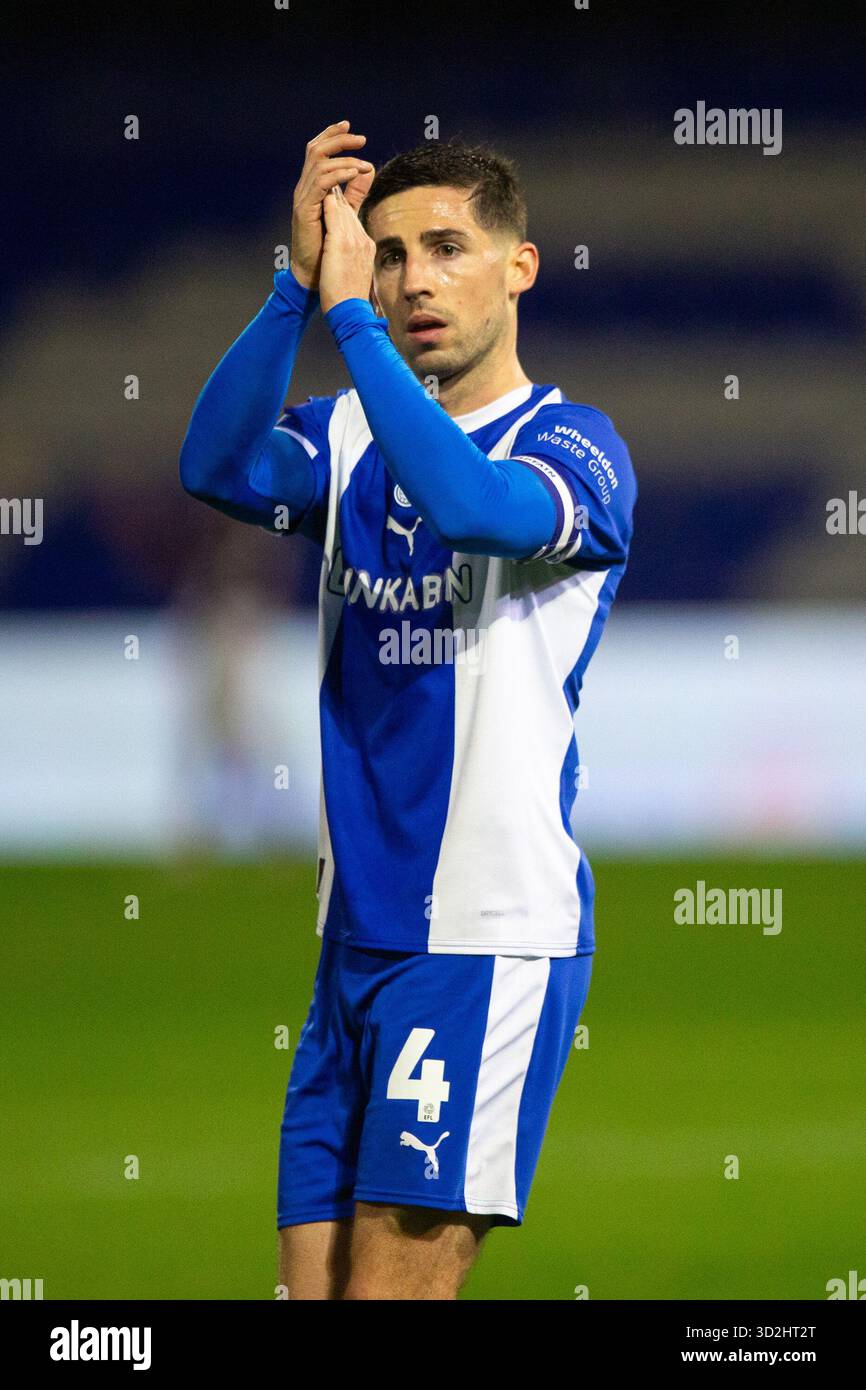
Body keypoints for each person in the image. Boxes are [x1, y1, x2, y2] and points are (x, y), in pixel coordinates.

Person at [179, 120, 637, 1300]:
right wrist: (292, 289)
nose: (411, 280)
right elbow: (215, 464)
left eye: (445, 247)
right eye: (384, 255)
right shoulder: (344, 439)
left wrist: (348, 330)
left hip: (482, 941)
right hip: (350, 947)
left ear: (519, 266)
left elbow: (472, 504)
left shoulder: (574, 448)